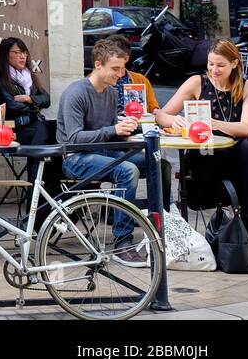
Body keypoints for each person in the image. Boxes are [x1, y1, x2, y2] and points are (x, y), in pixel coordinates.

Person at [58, 37, 172, 264]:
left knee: (159, 162)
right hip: (75, 157)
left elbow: (110, 133)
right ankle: (122, 242)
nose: (120, 74)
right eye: (115, 69)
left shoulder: (110, 92)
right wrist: (113, 129)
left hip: (104, 152)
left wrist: (126, 129)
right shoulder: (76, 93)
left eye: (122, 68)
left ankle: (162, 226)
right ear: (98, 65)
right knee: (128, 170)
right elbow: (73, 138)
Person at [155, 39, 248, 245]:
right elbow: (160, 114)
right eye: (210, 64)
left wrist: (212, 123)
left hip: (237, 155)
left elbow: (246, 128)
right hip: (205, 154)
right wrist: (174, 120)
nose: (214, 70)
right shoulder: (197, 82)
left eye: (220, 65)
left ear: (234, 64)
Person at [0, 38, 54, 183]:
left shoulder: (29, 76)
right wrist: (35, 105)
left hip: (35, 125)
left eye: (24, 52)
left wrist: (29, 99)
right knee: (42, 136)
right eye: (17, 52)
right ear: (6, 55)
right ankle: (36, 193)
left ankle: (55, 191)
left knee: (57, 131)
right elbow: (11, 105)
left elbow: (47, 99)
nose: (22, 56)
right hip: (17, 129)